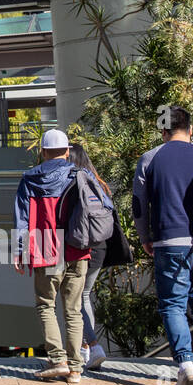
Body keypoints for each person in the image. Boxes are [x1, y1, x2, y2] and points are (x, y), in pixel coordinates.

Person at [133, 106, 193, 385]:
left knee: (173, 305)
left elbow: (138, 204)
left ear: (163, 131)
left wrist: (145, 236)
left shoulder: (151, 158)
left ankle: (185, 365)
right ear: (191, 129)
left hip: (168, 242)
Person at [14, 128, 90, 383]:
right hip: (78, 247)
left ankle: (58, 360)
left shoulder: (29, 179)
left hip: (47, 245)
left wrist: (19, 250)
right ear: (67, 151)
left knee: (46, 305)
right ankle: (76, 369)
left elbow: (22, 218)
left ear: (43, 152)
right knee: (74, 310)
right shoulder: (80, 174)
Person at [68, 144, 110, 372]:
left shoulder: (74, 181)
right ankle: (86, 349)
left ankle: (92, 346)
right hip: (100, 246)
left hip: (81, 246)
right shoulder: (97, 183)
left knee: (75, 299)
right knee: (83, 297)